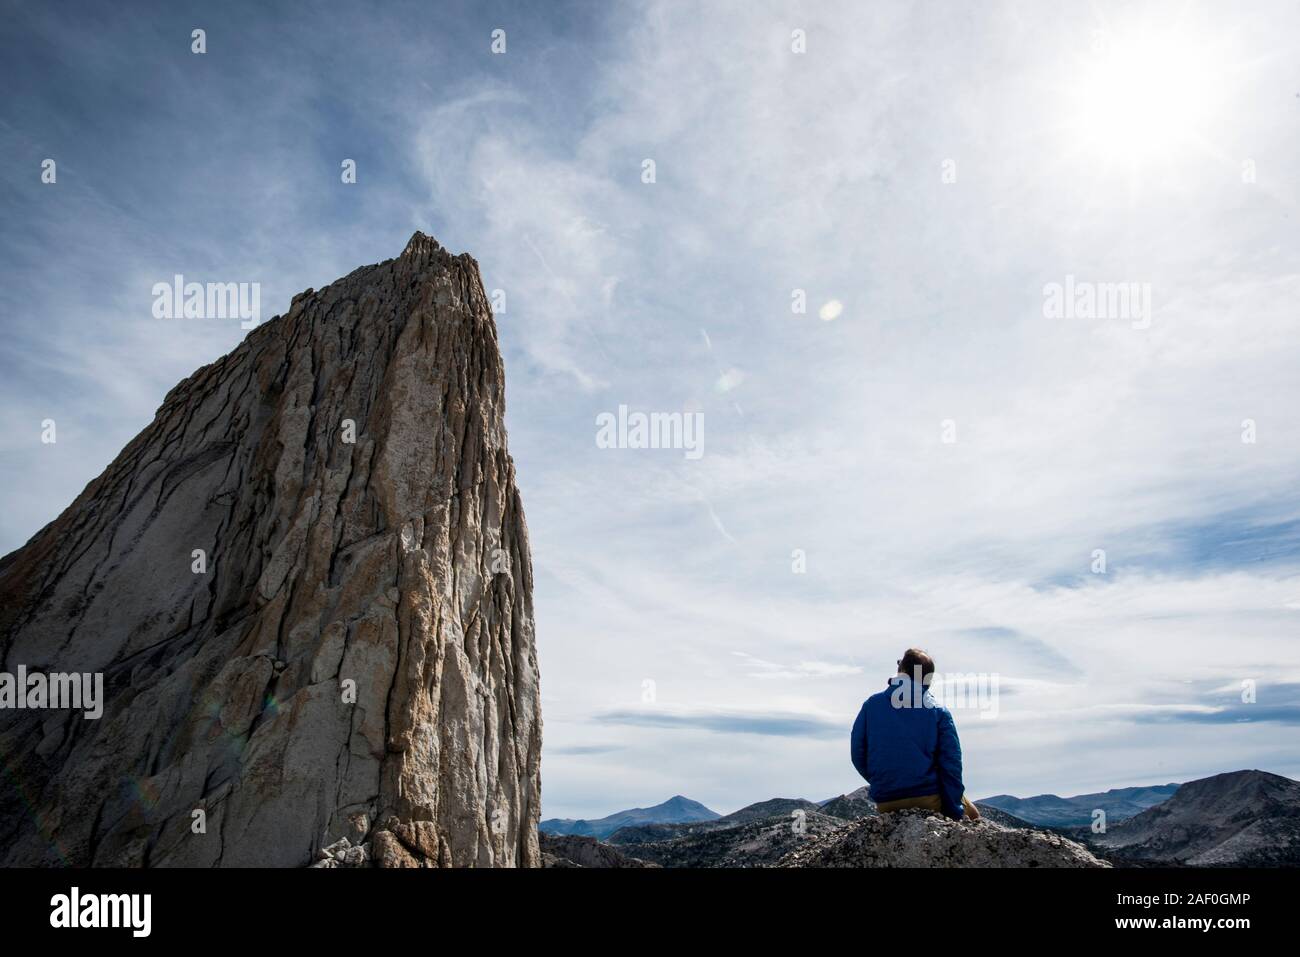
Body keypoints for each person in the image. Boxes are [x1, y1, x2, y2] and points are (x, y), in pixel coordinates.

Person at [850, 647, 980, 821]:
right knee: (974, 816)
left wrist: (882, 780)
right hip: (927, 797)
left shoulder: (871, 705)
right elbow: (951, 765)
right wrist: (954, 811)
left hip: (885, 800)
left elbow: (858, 754)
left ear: (901, 670)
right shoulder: (938, 712)